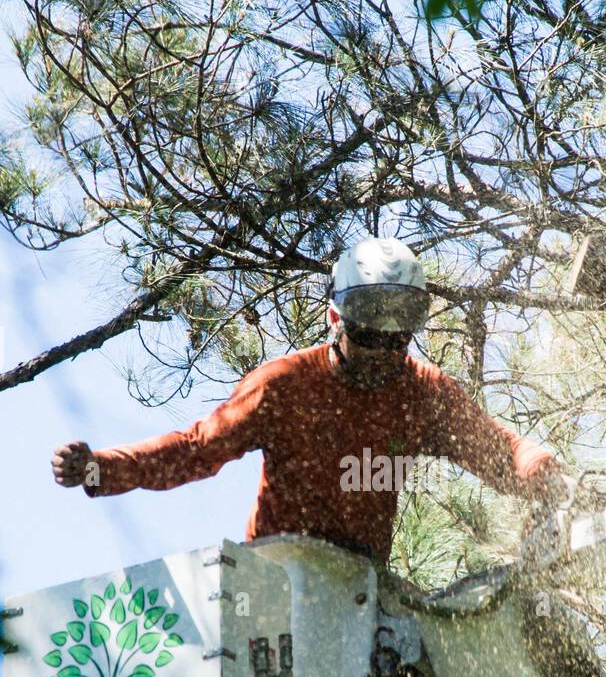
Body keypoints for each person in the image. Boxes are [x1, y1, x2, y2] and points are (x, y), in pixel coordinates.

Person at [52, 235, 572, 565]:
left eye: (396, 339)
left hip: (360, 589)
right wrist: (102, 469)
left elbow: (500, 450)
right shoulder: (285, 386)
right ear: (335, 320)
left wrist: (548, 474)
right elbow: (195, 449)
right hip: (277, 581)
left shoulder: (422, 393)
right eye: (368, 334)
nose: (380, 353)